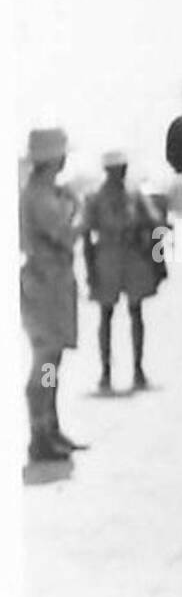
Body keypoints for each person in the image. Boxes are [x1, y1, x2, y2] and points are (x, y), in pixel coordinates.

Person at [20, 127, 85, 462]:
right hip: (45, 286)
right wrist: (76, 209)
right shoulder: (41, 197)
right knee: (46, 361)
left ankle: (50, 427)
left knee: (52, 361)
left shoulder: (46, 193)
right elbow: (66, 234)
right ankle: (40, 433)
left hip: (52, 285)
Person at [82, 151, 165, 392]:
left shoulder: (133, 194)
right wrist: (90, 269)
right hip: (108, 256)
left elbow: (155, 221)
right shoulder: (95, 197)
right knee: (107, 315)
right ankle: (106, 373)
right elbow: (87, 232)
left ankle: (138, 371)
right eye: (116, 169)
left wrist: (154, 257)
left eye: (122, 168)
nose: (120, 173)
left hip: (130, 256)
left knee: (135, 312)